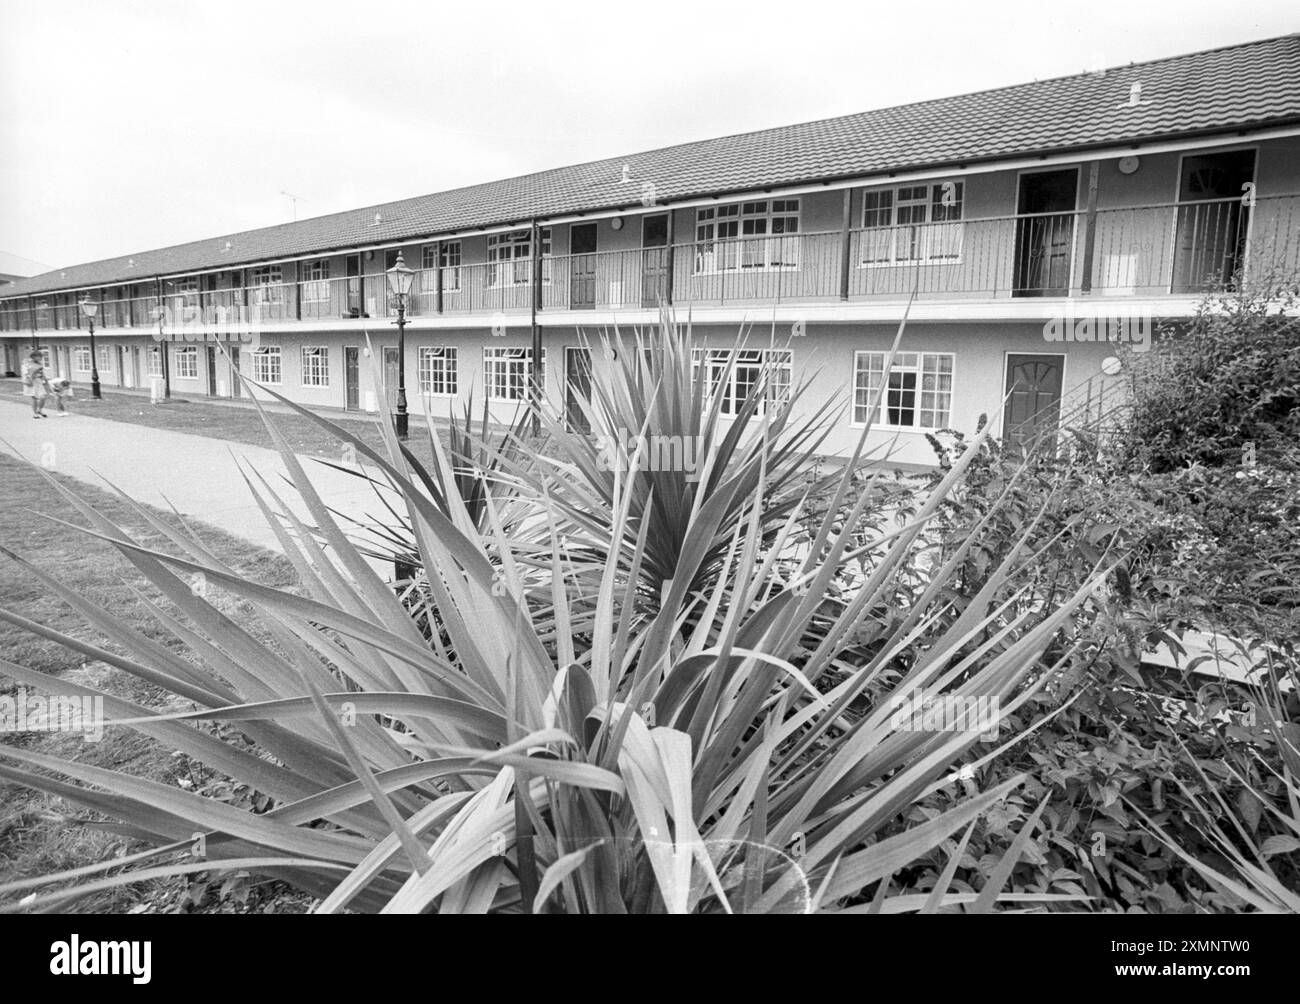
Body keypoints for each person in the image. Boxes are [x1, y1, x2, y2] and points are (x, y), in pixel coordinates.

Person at [20, 350, 47, 418]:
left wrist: (45, 379)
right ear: (34, 356)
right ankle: (35, 413)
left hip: (38, 381)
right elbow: (25, 373)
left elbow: (41, 372)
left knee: (43, 396)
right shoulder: (26, 363)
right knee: (34, 397)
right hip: (30, 382)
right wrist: (28, 380)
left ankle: (39, 410)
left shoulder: (39, 364)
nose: (41, 358)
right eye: (40, 356)